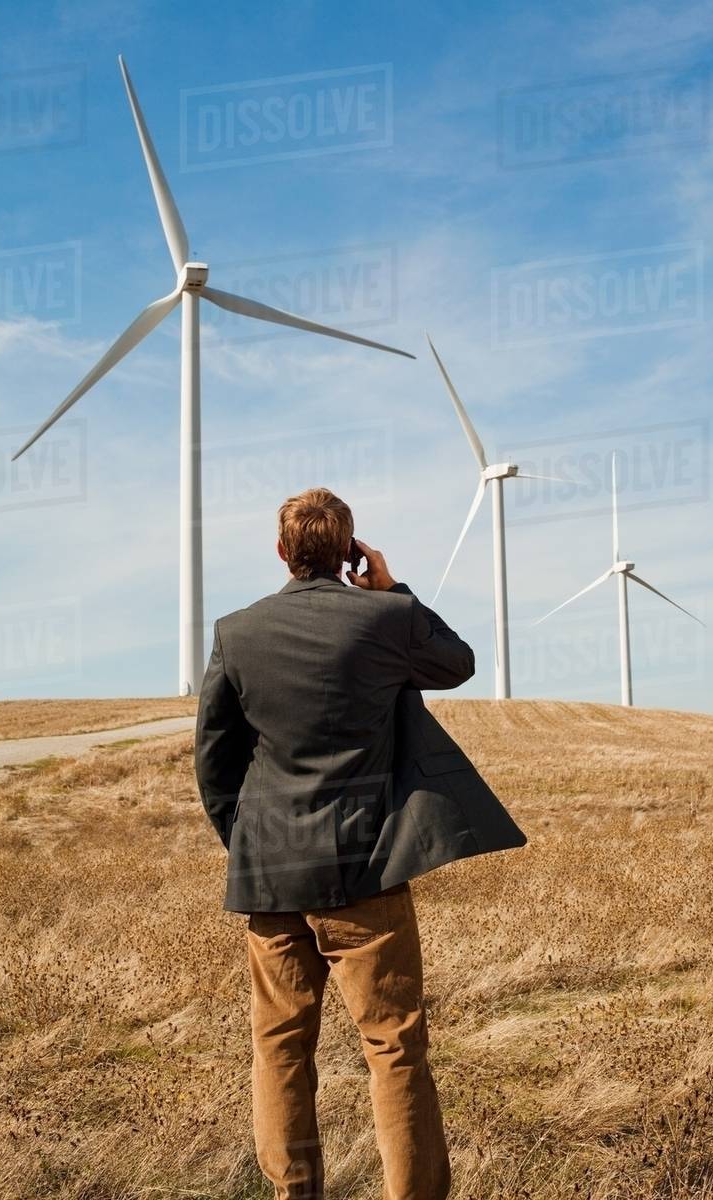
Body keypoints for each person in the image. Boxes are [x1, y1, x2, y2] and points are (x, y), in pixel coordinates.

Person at [195, 486, 526, 1200]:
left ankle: (295, 1192)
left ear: (281, 552)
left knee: (280, 1049)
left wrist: (247, 842)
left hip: (271, 878)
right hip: (366, 873)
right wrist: (393, 587)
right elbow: (457, 663)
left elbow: (214, 761)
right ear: (349, 550)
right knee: (395, 1049)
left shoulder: (236, 631)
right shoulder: (388, 619)